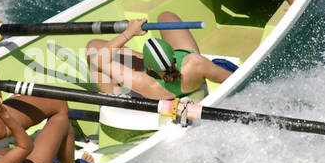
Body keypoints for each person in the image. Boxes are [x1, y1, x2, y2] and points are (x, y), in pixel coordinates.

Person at [85, 13, 235, 100]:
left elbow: (99, 59)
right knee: (166, 16)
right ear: (173, 53)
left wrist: (129, 32)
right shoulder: (196, 63)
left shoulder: (145, 83)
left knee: (92, 46)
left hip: (160, 93)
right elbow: (231, 79)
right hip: (192, 79)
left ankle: (115, 98)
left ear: (148, 68)